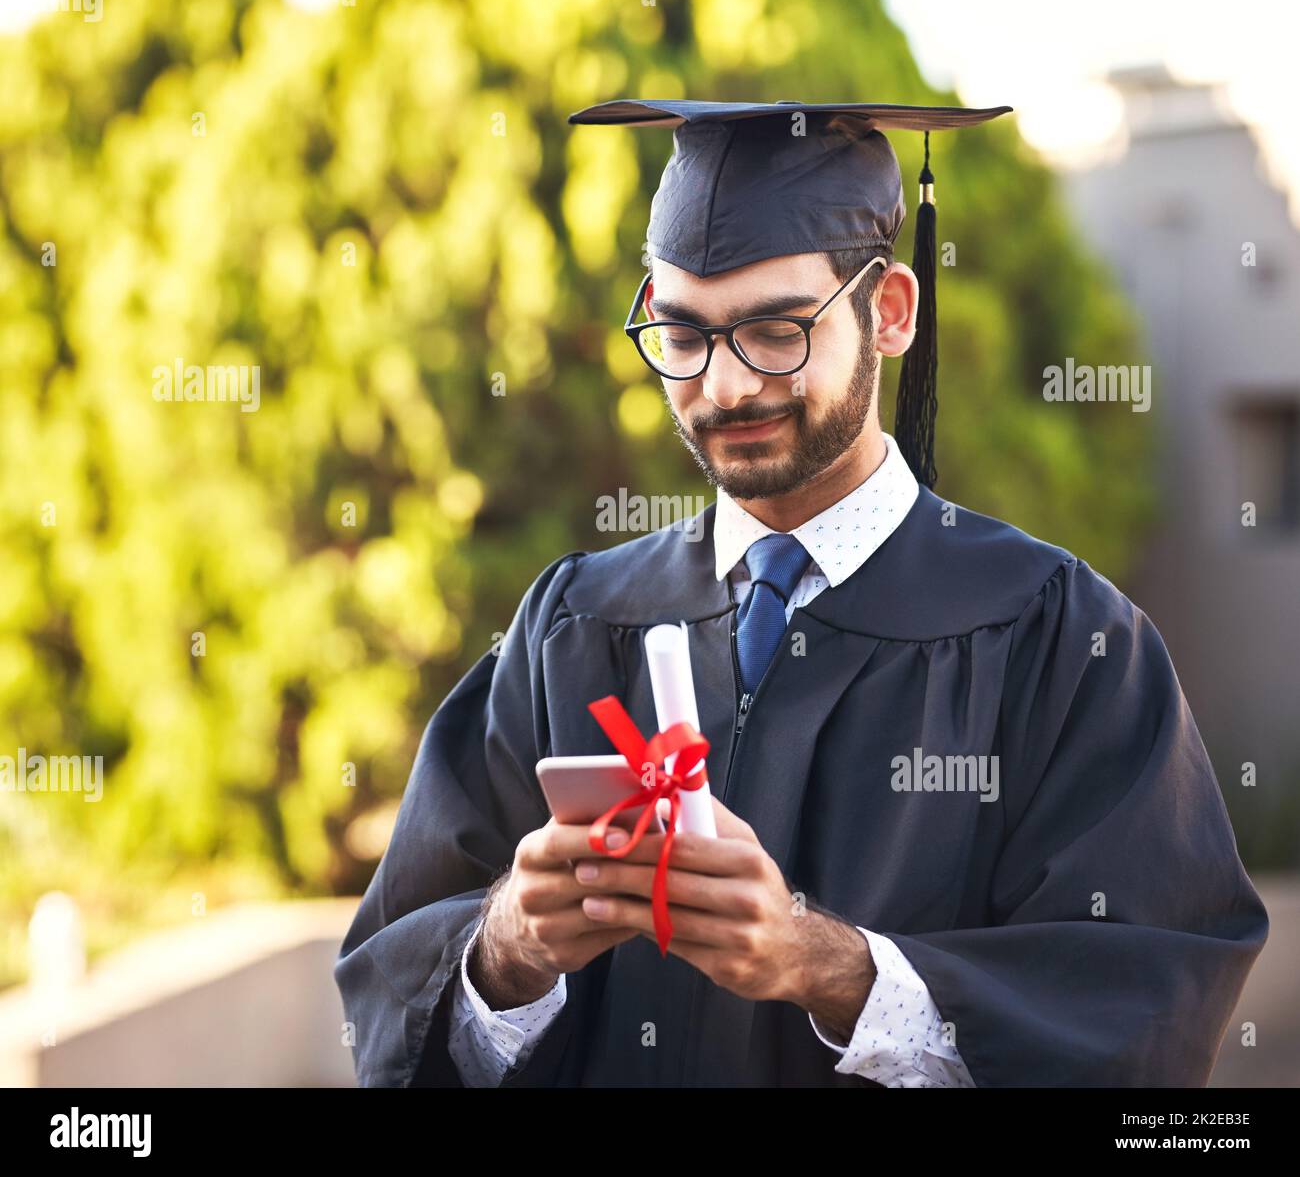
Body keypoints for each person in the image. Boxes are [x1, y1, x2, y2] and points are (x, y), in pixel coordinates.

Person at [334, 99, 1268, 1087]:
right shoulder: (571, 625)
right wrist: (508, 949)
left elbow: (1142, 1008)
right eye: (683, 334)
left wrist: (827, 964)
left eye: (775, 330)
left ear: (893, 311)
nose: (724, 386)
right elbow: (395, 978)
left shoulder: (1061, 637)